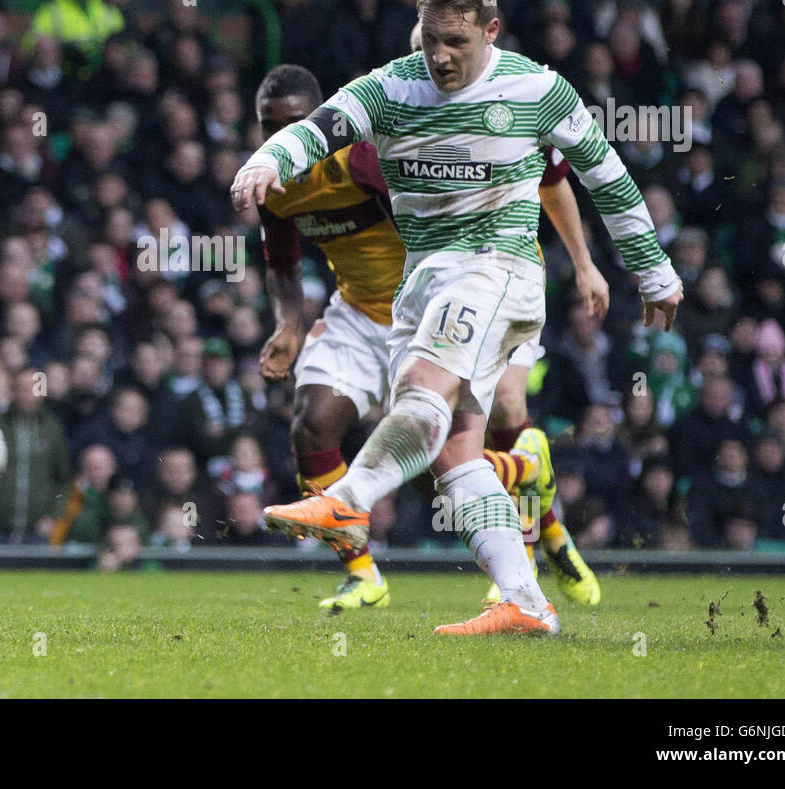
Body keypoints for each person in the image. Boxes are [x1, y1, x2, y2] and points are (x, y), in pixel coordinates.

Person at [233, 0, 682, 635]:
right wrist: (268, 160)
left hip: (498, 267)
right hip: (425, 281)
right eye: (431, 37)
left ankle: (349, 499)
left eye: (457, 41)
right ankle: (526, 600)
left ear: (490, 31)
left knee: (421, 383)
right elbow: (320, 127)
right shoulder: (392, 87)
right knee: (452, 456)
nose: (440, 55)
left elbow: (605, 175)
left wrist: (650, 270)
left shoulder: (536, 89)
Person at [253, 60, 603, 613]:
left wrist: (583, 265)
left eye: (292, 122)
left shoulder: (362, 158)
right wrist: (288, 326)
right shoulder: (271, 183)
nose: (280, 136)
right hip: (358, 313)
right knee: (312, 423)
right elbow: (282, 263)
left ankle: (539, 531)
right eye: (269, 126)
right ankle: (364, 575)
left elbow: (443, 224)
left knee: (440, 466)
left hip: (433, 306)